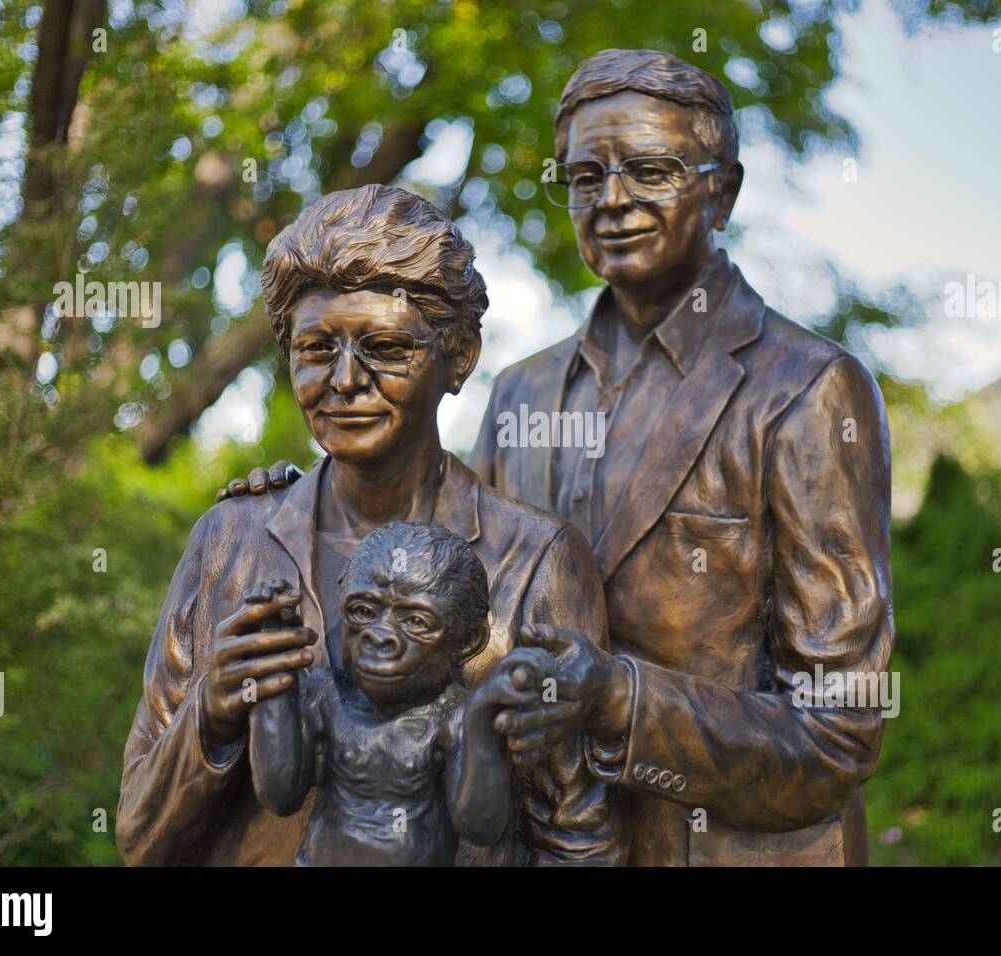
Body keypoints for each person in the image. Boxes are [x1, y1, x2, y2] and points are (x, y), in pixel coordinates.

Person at [228, 49, 895, 867]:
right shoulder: (521, 393)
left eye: (650, 170)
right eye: (585, 177)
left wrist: (617, 698)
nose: (612, 200)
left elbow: (838, 730)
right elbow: (432, 576)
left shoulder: (809, 390)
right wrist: (294, 499)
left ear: (723, 189)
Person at [117, 184, 620, 866]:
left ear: (460, 356)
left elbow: (577, 840)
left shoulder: (536, 560)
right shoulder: (231, 540)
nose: (344, 381)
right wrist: (212, 710)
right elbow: (140, 839)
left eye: (385, 348)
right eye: (317, 348)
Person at [249, 523, 558, 866]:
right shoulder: (327, 694)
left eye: (415, 621)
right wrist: (274, 672)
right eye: (363, 612)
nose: (380, 637)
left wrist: (484, 719)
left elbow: (480, 826)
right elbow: (279, 794)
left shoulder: (454, 715)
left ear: (469, 641)